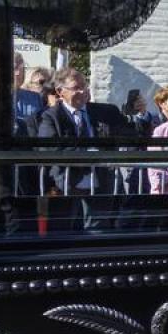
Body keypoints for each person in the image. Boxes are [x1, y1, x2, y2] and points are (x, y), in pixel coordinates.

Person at [36, 67, 130, 234]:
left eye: (84, 86)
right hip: (68, 182)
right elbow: (49, 147)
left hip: (101, 181)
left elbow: (131, 134)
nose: (82, 91)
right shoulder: (51, 116)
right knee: (65, 232)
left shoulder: (106, 112)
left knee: (98, 231)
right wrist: (87, 154)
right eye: (76, 88)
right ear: (60, 91)